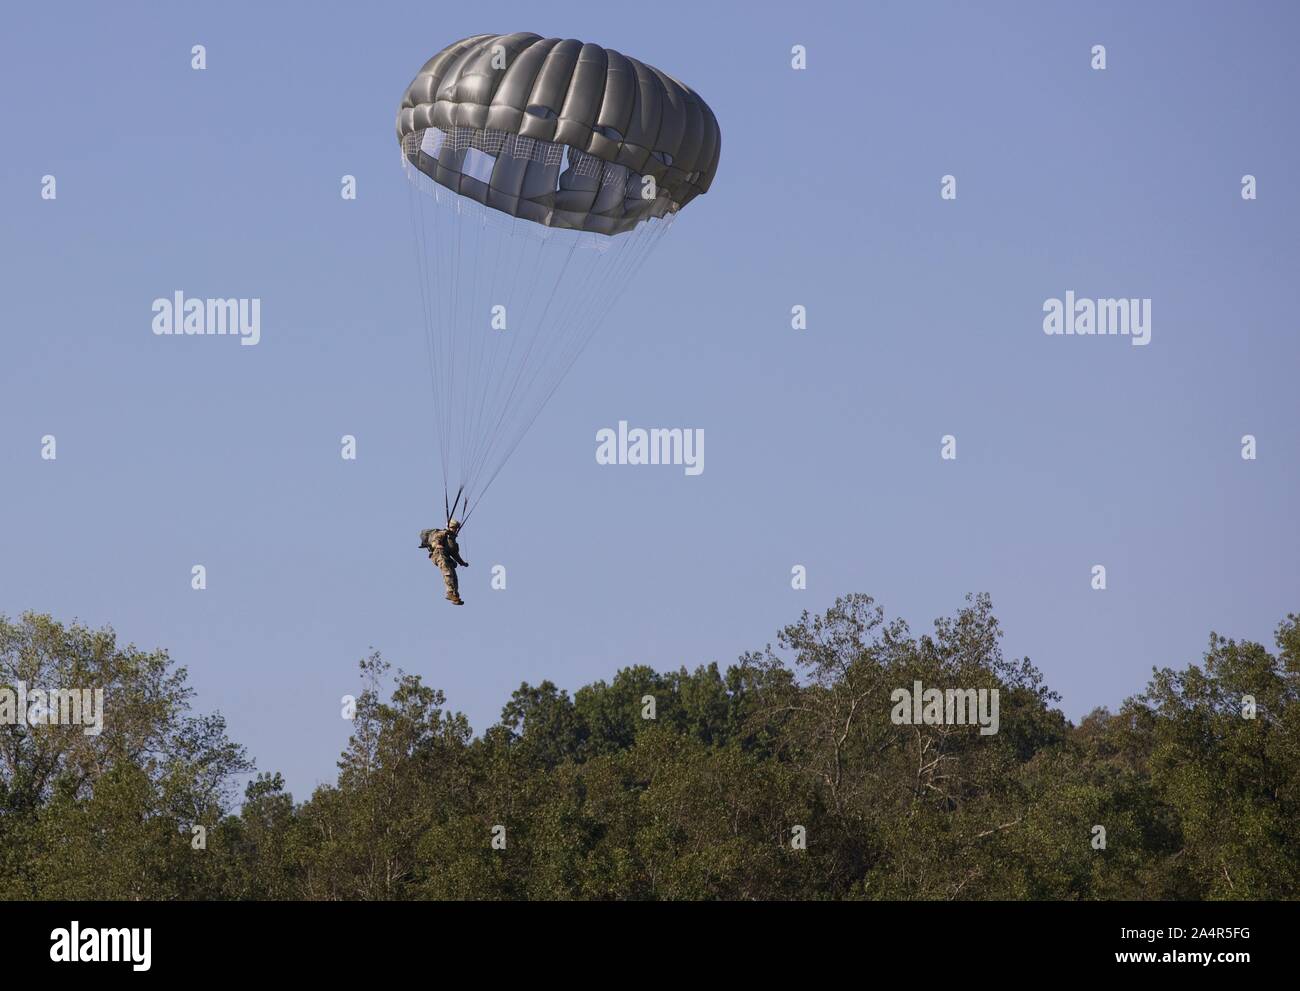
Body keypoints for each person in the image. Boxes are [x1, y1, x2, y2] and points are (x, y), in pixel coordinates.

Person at [420, 520, 469, 605]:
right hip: (439, 555)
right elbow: (435, 539)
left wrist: (462, 562)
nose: (455, 530)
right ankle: (450, 592)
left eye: (456, 528)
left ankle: (455, 595)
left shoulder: (452, 540)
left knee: (454, 577)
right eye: (453, 528)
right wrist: (437, 545)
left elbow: (454, 554)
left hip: (446, 557)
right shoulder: (442, 533)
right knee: (448, 573)